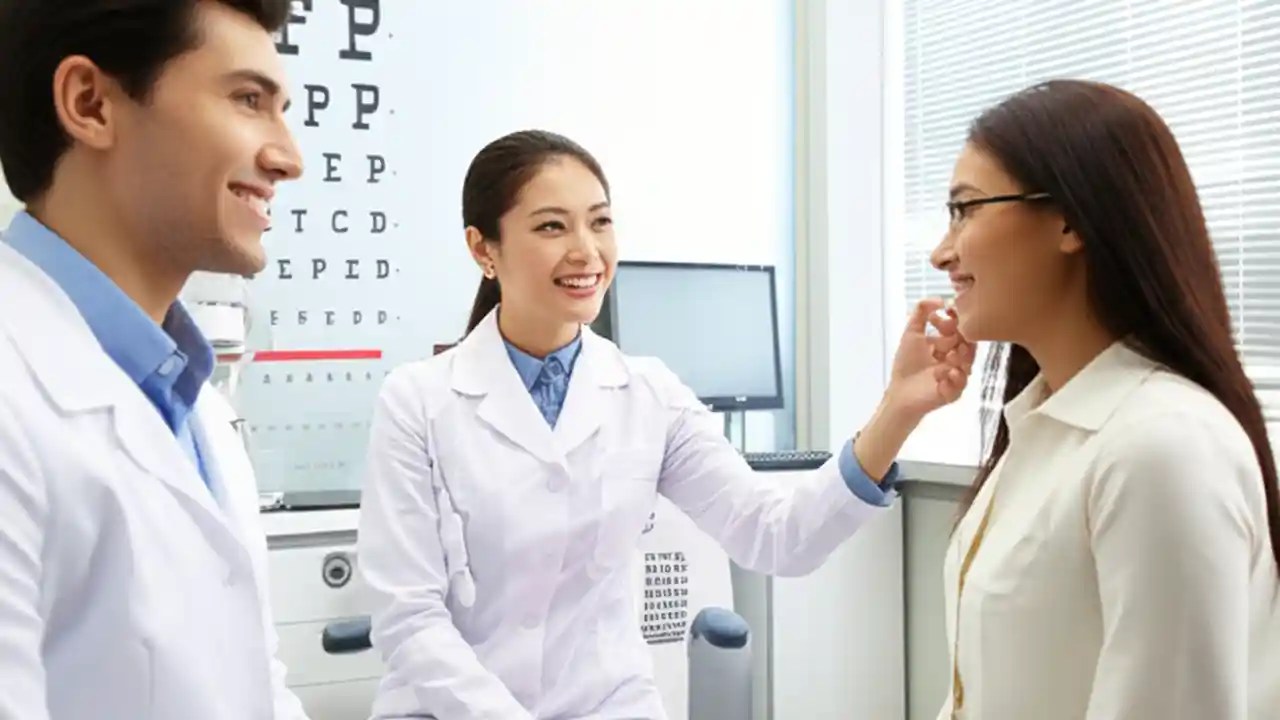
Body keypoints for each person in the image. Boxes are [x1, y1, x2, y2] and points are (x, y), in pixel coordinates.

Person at [355, 128, 977, 719]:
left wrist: (899, 409)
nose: (586, 250)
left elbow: (777, 536)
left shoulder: (648, 394)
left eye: (600, 222)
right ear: (482, 249)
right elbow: (409, 618)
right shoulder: (418, 401)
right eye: (551, 226)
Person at [929, 79, 1280, 720]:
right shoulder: (1044, 426)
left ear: (1070, 220)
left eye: (966, 209)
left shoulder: (1162, 445)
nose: (941, 253)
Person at [0, 1, 308, 719]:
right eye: (248, 100)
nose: (289, 157)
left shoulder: (196, 407)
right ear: (91, 104)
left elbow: (257, 684)